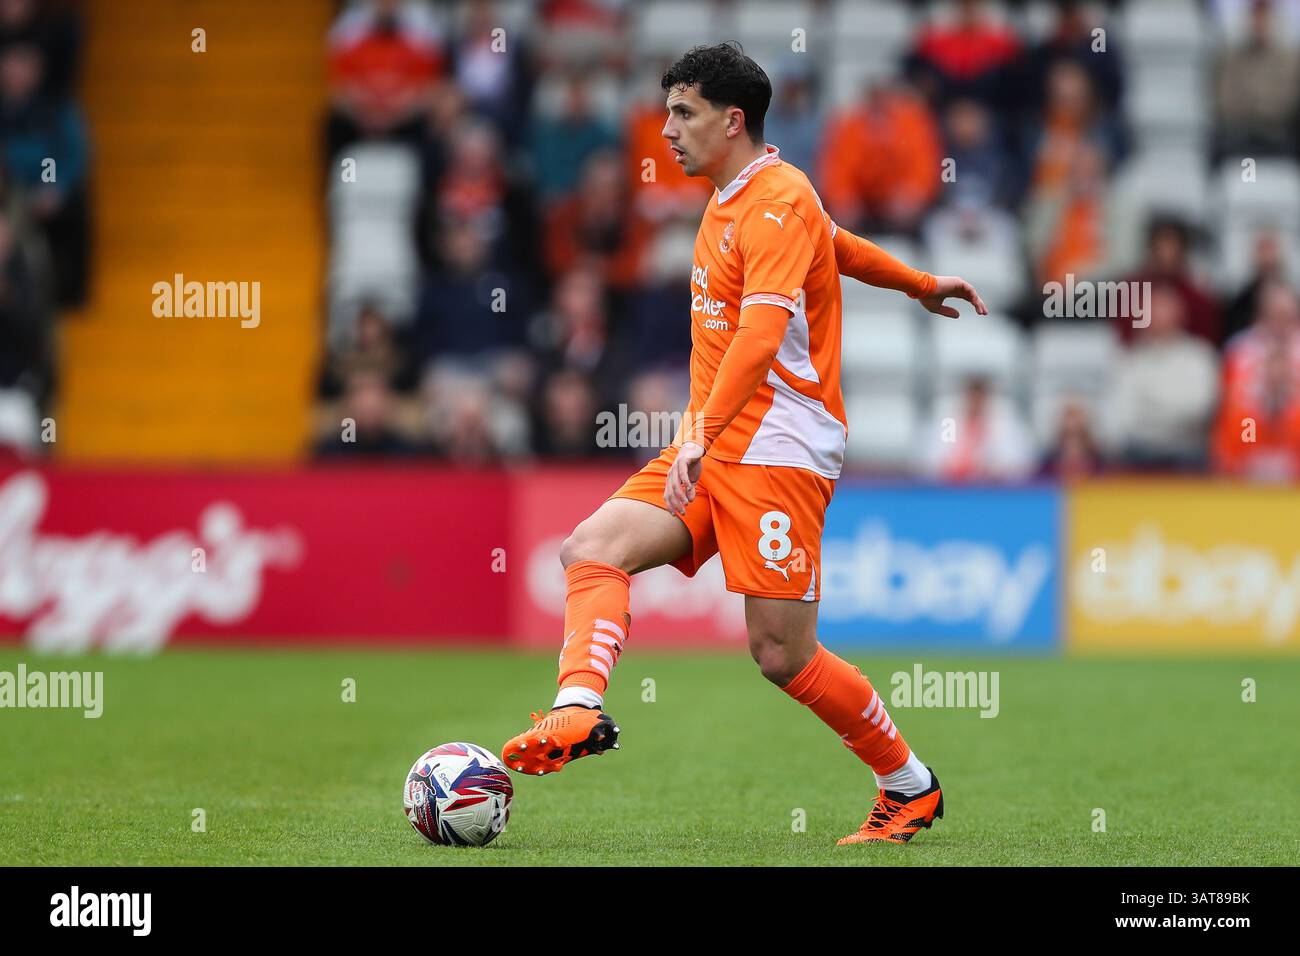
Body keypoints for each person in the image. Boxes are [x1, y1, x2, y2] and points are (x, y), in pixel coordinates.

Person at [499, 43, 987, 846]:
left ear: (732, 120)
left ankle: (910, 786)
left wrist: (697, 432)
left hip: (779, 450)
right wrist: (920, 283)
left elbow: (761, 336)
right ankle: (577, 709)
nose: (666, 131)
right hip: (720, 442)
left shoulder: (775, 200)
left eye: (682, 113)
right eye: (667, 113)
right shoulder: (745, 194)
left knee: (782, 654)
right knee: (591, 548)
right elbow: (838, 245)